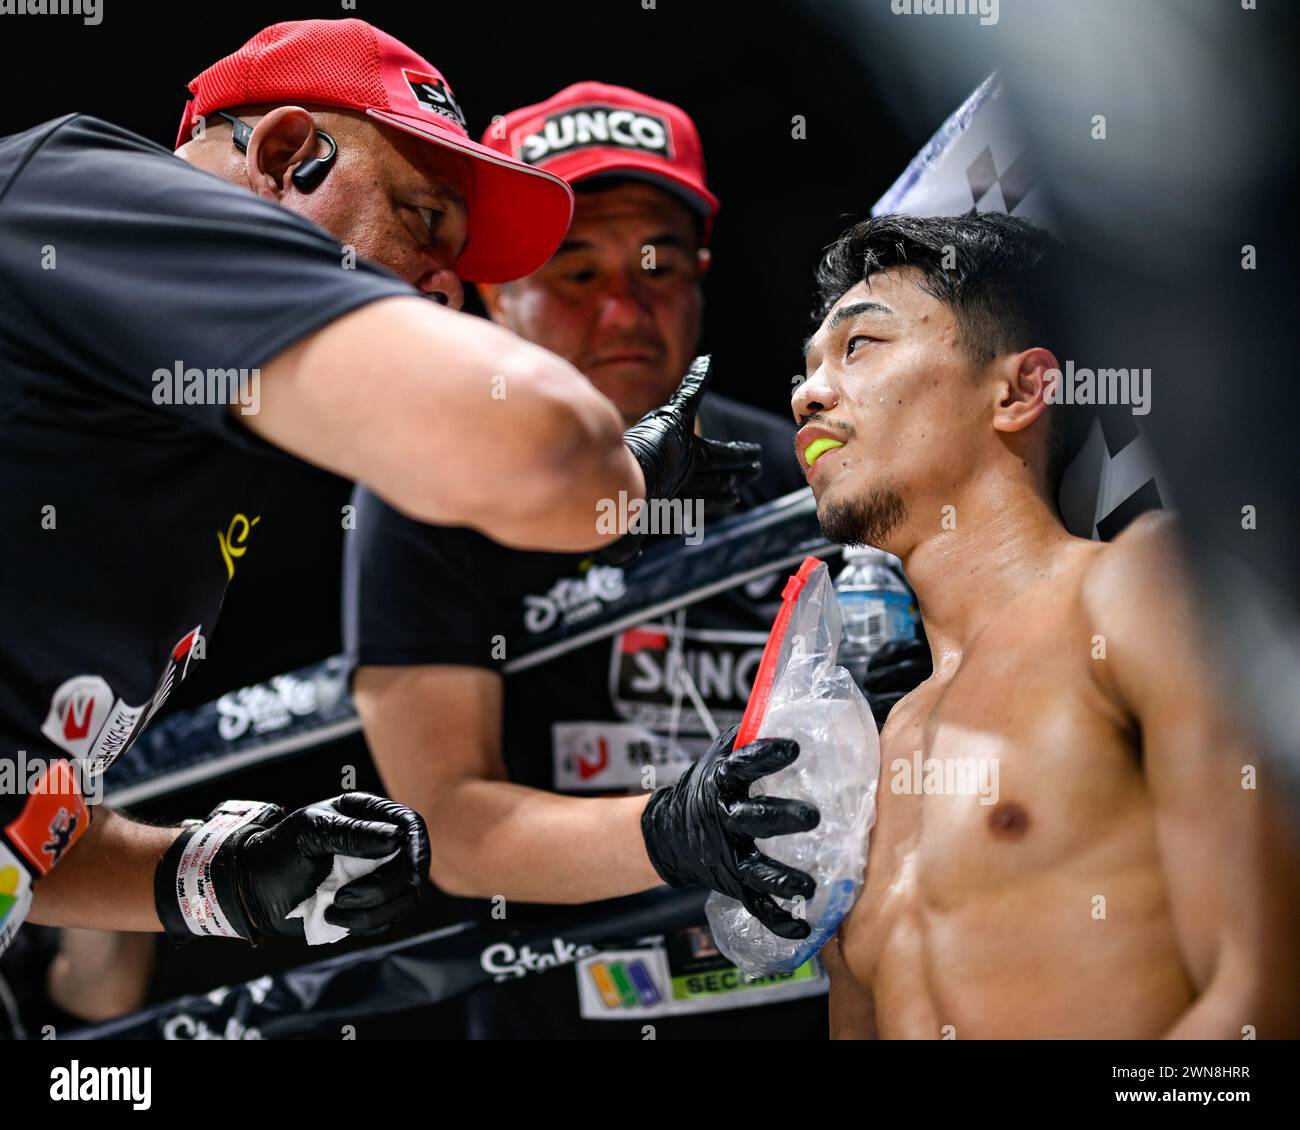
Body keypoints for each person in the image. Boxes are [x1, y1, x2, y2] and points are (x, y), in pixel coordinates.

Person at [0, 21, 755, 958]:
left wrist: (214, 874)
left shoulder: (194, 437)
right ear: (282, 154)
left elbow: (27, 830)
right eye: (424, 219)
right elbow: (543, 446)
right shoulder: (90, 200)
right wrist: (630, 468)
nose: (443, 292)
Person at [345, 83, 828, 1038]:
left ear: (700, 275)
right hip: (570, 1016)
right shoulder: (423, 493)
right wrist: (669, 831)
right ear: (494, 290)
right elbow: (449, 824)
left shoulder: (804, 469)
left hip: (813, 1002)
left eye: (659, 264)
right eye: (574, 271)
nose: (624, 308)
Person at [793, 212, 1300, 1038]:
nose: (809, 392)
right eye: (807, 366)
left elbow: (1266, 1002)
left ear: (1020, 391)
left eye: (859, 347)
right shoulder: (873, 749)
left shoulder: (1139, 586)